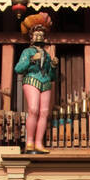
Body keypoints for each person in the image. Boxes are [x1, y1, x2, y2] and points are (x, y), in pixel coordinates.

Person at [14, 12, 58, 154]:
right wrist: (32, 59)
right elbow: (18, 68)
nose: (39, 36)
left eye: (41, 34)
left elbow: (51, 77)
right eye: (36, 34)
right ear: (31, 36)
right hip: (32, 79)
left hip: (45, 82)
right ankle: (30, 142)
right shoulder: (27, 52)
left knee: (44, 112)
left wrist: (53, 66)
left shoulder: (47, 54)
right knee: (33, 109)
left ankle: (39, 143)